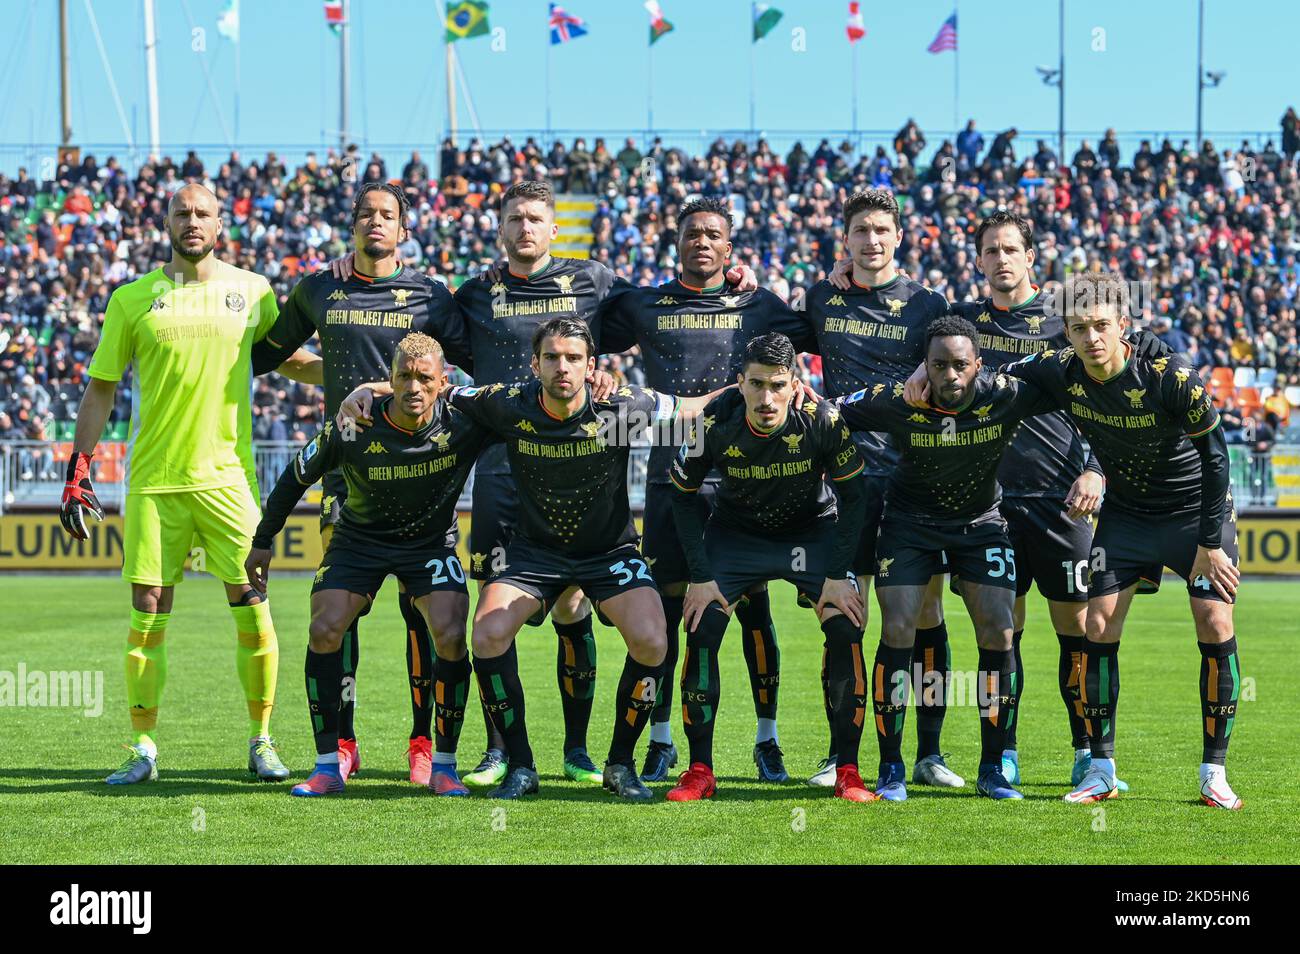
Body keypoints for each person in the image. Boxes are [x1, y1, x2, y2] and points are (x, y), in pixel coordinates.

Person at [910, 272, 1244, 809]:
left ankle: (1214, 771)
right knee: (1096, 626)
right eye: (1078, 328)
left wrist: (1210, 542)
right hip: (1129, 515)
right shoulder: (1060, 369)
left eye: (1101, 326)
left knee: (1215, 620)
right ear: (1065, 331)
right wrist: (920, 378)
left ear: (1123, 326)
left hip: (1192, 512)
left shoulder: (1172, 373)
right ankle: (1100, 767)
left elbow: (1217, 456)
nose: (1090, 338)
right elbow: (986, 376)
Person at [62, 184, 290, 786]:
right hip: (155, 484)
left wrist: (363, 371)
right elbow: (101, 387)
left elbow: (286, 359)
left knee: (254, 608)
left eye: (204, 213)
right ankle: (143, 746)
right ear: (165, 221)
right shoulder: (131, 299)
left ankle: (262, 741)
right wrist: (78, 468)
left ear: (221, 223)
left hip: (228, 481)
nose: (193, 221)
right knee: (146, 615)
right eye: (182, 212)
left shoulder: (253, 291)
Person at [251, 181, 472, 787]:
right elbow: (266, 354)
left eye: (388, 215)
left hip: (424, 478)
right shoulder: (321, 287)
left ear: (404, 229)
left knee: (426, 619)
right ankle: (340, 745)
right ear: (352, 225)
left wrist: (380, 388)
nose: (376, 223)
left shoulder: (430, 296)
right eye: (366, 214)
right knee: (336, 616)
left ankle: (424, 742)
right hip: (349, 479)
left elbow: (468, 372)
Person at [597, 196, 818, 784]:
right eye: (692, 232)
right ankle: (664, 739)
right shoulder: (645, 304)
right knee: (671, 612)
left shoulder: (759, 304)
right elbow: (580, 322)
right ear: (677, 241)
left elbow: (816, 332)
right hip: (675, 481)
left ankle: (766, 740)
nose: (702, 241)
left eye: (713, 235)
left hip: (746, 479)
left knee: (753, 610)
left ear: (729, 247)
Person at [836, 315, 1092, 800]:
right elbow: (827, 412)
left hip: (981, 525)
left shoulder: (1007, 394)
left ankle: (993, 767)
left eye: (959, 365)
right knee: (897, 628)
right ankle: (890, 766)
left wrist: (1095, 468)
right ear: (924, 367)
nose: (950, 376)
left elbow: (1081, 388)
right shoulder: (896, 401)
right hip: (910, 525)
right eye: (938, 365)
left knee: (998, 630)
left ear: (978, 365)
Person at [247, 333, 491, 797]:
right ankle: (326, 765)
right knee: (325, 627)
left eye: (424, 378)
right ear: (390, 379)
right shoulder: (354, 424)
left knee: (452, 633)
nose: (413, 387)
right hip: (360, 541)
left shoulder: (465, 421)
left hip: (429, 544)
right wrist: (263, 540)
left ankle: (444, 764)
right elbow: (296, 475)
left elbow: (523, 401)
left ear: (443, 382)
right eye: (403, 376)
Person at [666, 333, 872, 802]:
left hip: (810, 533)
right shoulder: (716, 421)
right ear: (739, 383)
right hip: (737, 537)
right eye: (756, 384)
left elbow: (856, 498)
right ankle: (699, 770)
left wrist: (839, 575)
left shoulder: (822, 419)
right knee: (700, 629)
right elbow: (680, 495)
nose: (766, 398)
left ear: (794, 383)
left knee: (846, 628)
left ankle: (848, 770)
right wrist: (699, 576)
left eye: (777, 385)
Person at [952, 211, 1111, 788]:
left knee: (1079, 631)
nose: (1000, 258)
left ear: (1030, 257)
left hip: (1062, 503)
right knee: (1000, 632)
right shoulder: (962, 323)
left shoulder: (1065, 322)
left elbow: (1105, 399)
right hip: (989, 506)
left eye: (1010, 249)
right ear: (978, 260)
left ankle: (1087, 751)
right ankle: (1003, 753)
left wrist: (1096, 469)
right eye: (990, 249)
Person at [807, 188, 958, 789]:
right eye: (860, 231)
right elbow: (773, 350)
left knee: (924, 613)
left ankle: (928, 752)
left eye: (881, 231)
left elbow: (956, 365)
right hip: (842, 480)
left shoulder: (929, 304)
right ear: (845, 239)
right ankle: (839, 754)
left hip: (913, 480)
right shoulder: (821, 297)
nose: (871, 240)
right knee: (840, 613)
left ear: (900, 238)